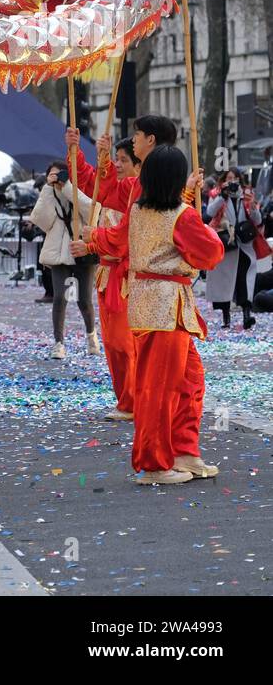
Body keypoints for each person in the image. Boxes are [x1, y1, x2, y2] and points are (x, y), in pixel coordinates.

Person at [74, 146, 224, 485]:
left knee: (188, 380)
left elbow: (116, 239)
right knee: (162, 387)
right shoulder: (182, 215)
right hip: (167, 305)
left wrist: (93, 239)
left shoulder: (139, 211)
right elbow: (211, 252)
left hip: (151, 303)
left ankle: (183, 449)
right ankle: (154, 463)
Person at [77, 138, 140, 421]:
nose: (117, 164)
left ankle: (137, 400)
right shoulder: (119, 190)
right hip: (107, 273)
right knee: (113, 343)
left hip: (127, 276)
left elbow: (124, 240)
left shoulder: (137, 192)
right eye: (116, 158)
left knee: (126, 343)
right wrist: (78, 152)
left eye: (123, 160)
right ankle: (127, 400)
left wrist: (92, 241)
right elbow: (95, 185)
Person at [30, 160, 96, 360]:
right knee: (60, 297)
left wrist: (67, 187)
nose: (56, 177)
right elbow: (41, 220)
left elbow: (92, 212)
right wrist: (47, 190)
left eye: (60, 174)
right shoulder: (49, 193)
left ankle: (91, 335)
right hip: (58, 250)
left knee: (84, 300)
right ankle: (59, 342)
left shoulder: (78, 190)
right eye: (52, 174)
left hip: (82, 250)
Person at [205, 168, 260, 330]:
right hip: (226, 243)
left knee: (244, 278)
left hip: (243, 244)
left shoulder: (247, 195)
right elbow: (209, 212)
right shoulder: (217, 194)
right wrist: (223, 196)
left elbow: (257, 221)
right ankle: (226, 316)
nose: (233, 182)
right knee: (224, 282)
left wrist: (253, 205)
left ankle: (247, 314)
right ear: (224, 181)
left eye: (235, 178)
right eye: (229, 178)